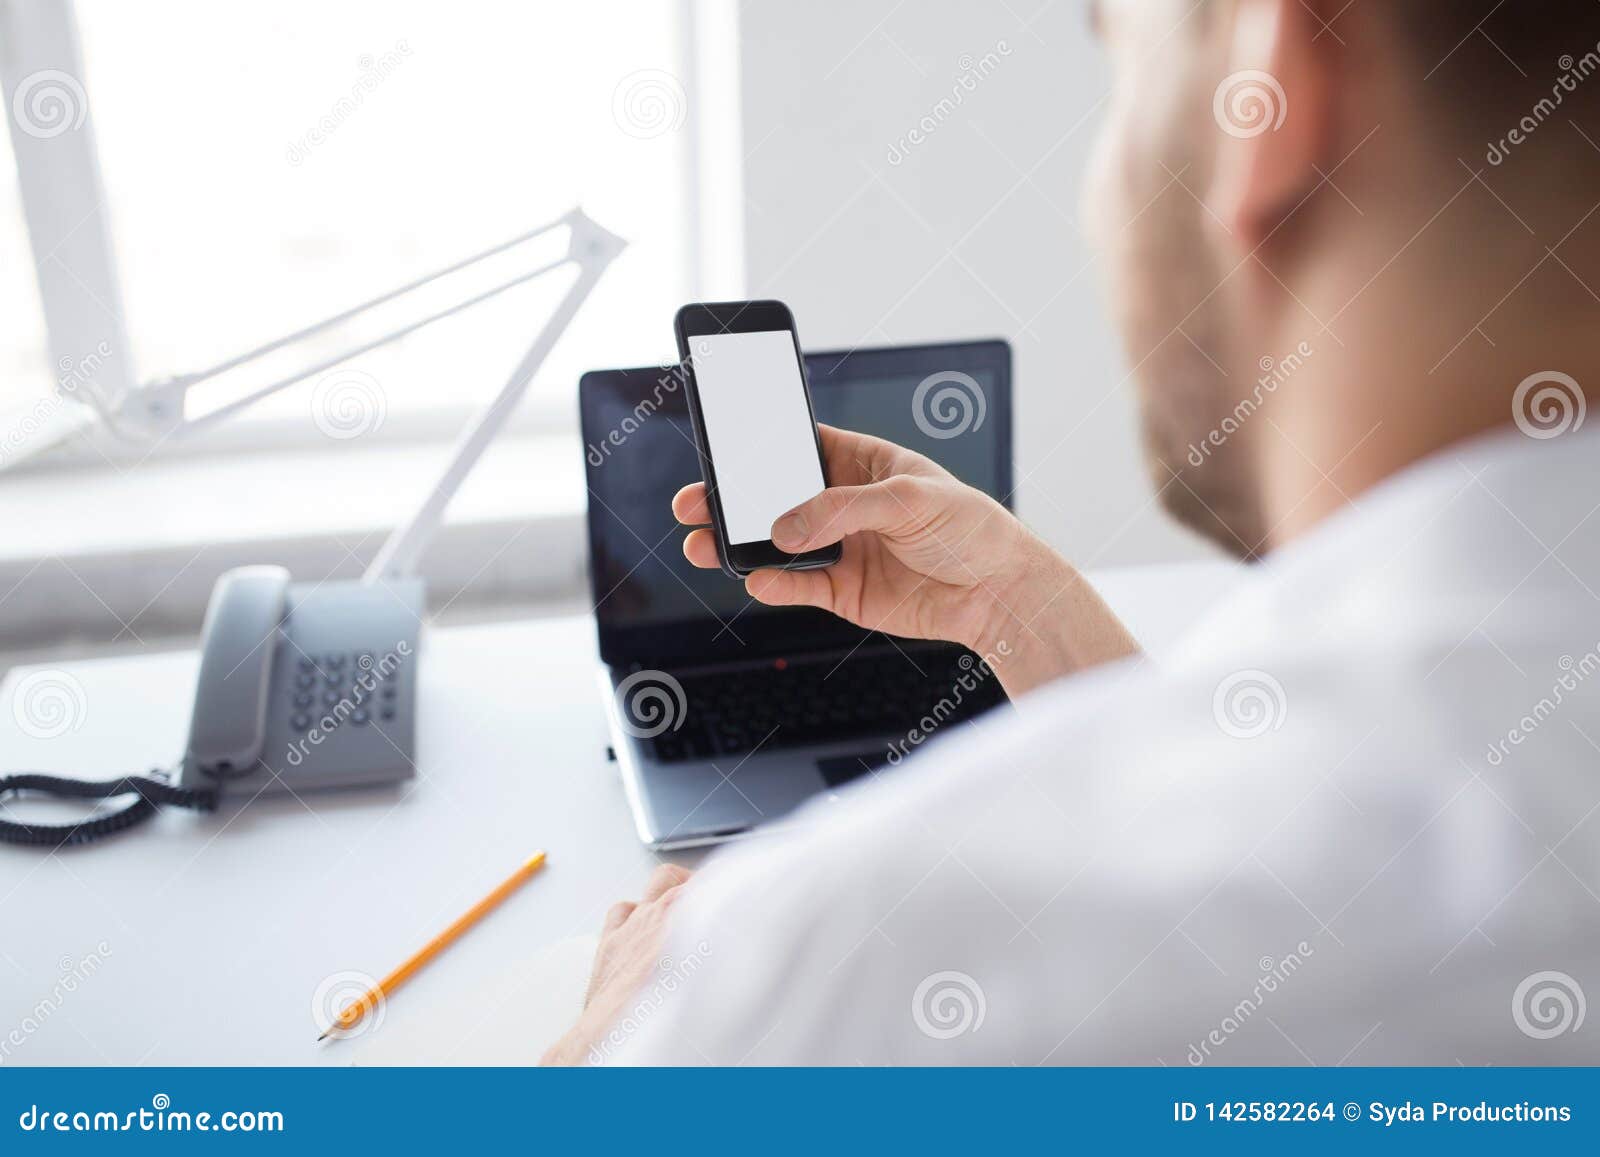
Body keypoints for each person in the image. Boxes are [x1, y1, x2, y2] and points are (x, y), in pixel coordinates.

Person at [544, 0, 1600, 1064]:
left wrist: (611, 1044)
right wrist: (1016, 606)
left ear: (1270, 88)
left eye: (1118, 61)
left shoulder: (849, 962)